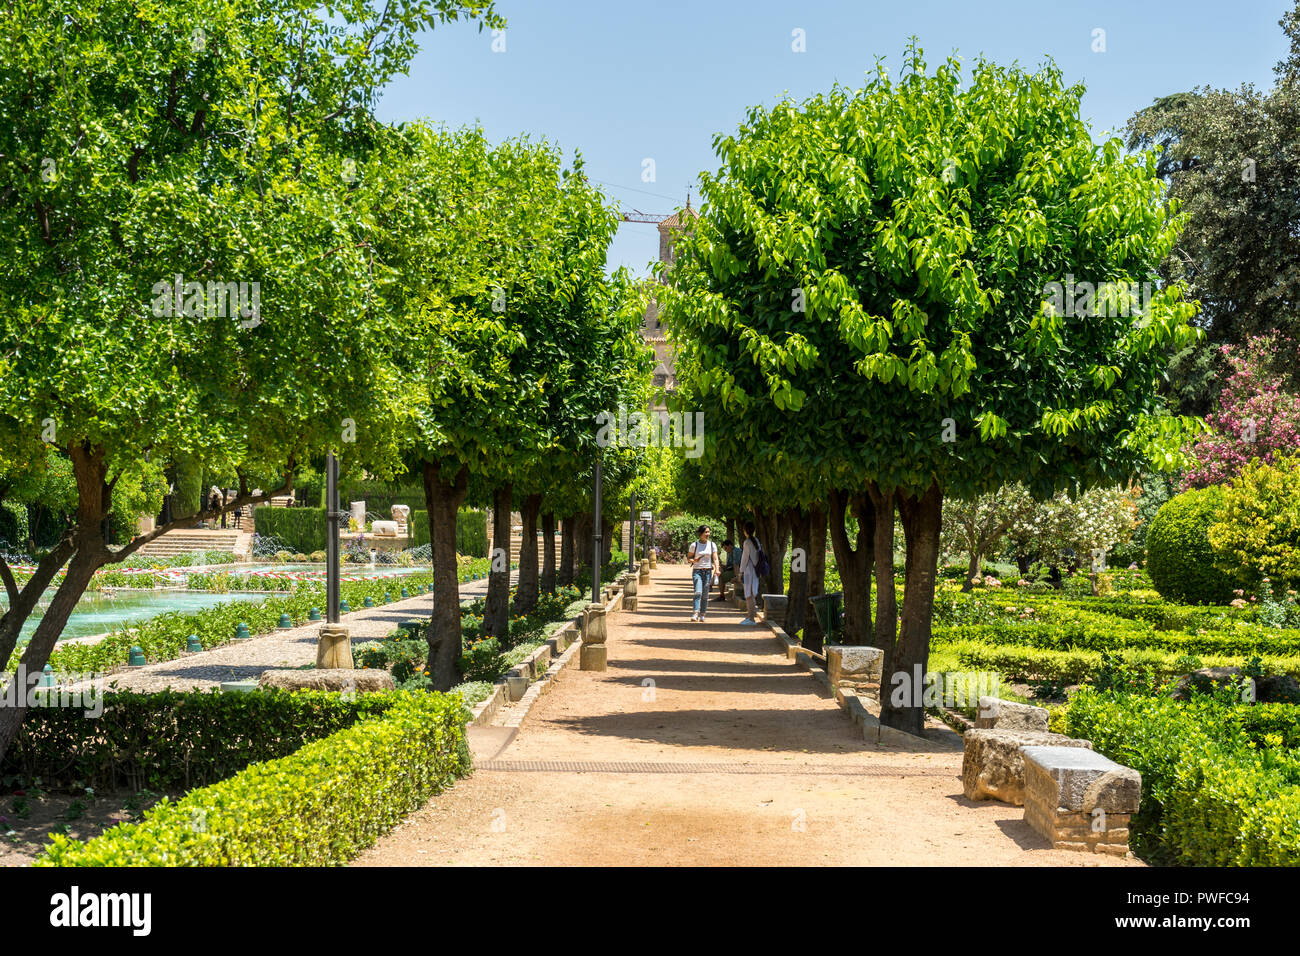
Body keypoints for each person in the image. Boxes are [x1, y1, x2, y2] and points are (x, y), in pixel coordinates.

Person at [686, 525, 719, 623]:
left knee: (705, 594)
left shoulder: (712, 545)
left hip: (708, 571)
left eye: (709, 532)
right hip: (697, 571)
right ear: (700, 534)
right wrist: (694, 560)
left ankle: (702, 614)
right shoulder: (694, 545)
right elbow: (689, 559)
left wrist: (717, 569)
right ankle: (695, 613)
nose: (708, 534)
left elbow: (715, 558)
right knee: (698, 592)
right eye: (706, 532)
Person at [739, 520, 761, 625]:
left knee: (749, 595)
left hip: (749, 571)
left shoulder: (747, 542)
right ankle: (750, 617)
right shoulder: (756, 540)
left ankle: (751, 618)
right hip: (755, 570)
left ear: (745, 531)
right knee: (752, 594)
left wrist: (740, 572)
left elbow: (744, 558)